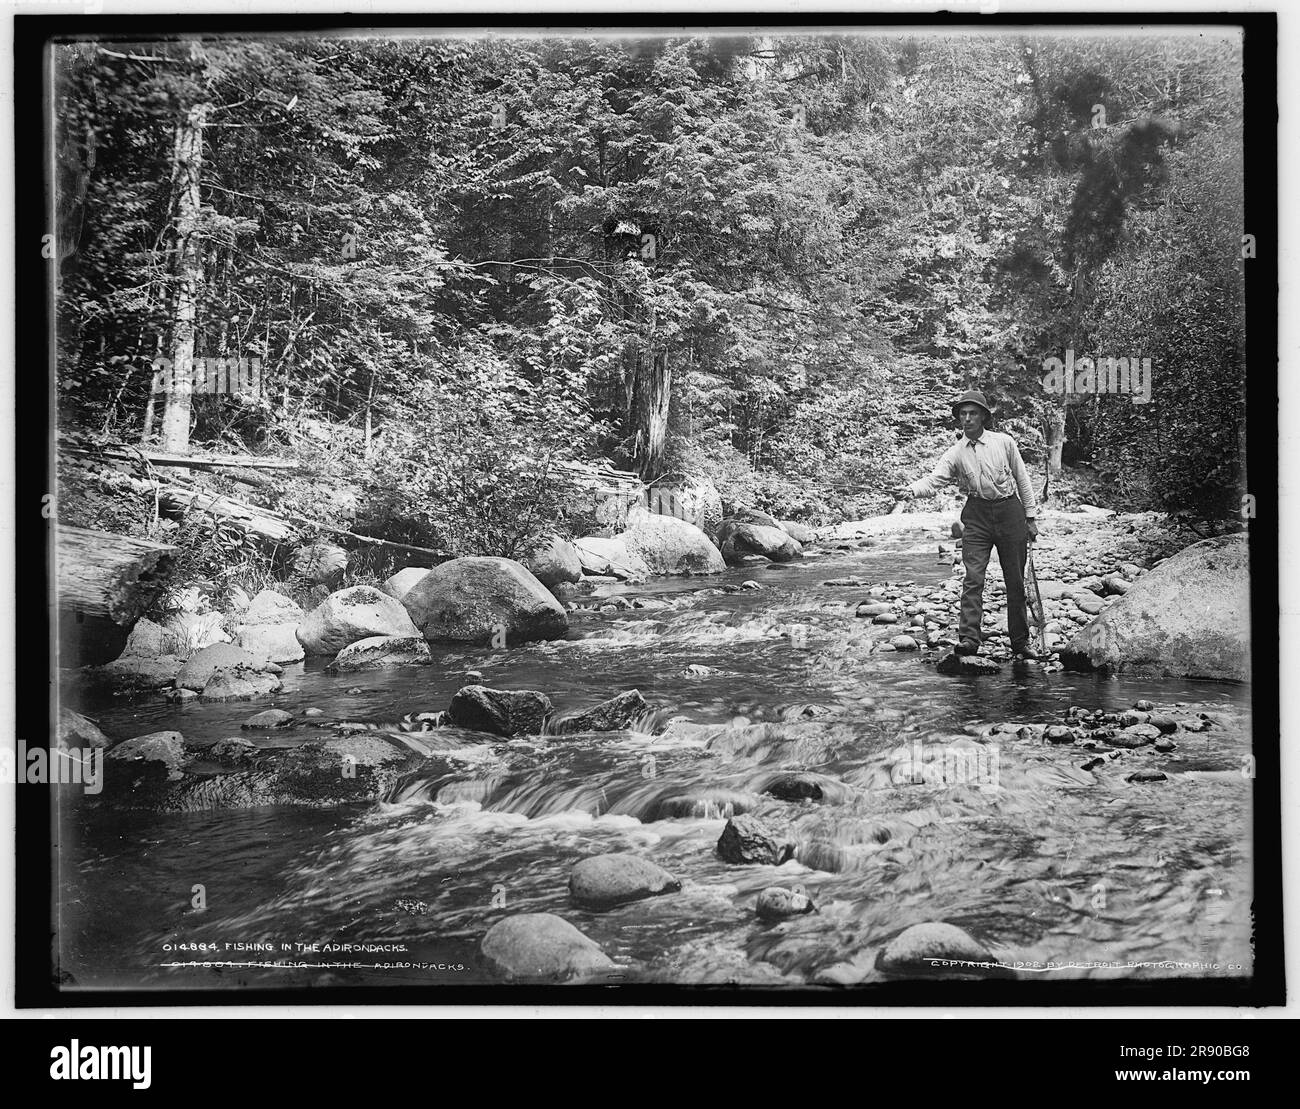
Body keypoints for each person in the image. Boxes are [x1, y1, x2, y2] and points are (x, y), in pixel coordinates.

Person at [892, 390, 1041, 659]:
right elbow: (934, 480)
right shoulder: (956, 452)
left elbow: (1023, 479)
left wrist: (1030, 518)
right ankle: (969, 639)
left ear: (984, 416)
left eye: (973, 413)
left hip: (1010, 512)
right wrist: (910, 490)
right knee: (973, 579)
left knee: (1016, 582)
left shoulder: (1004, 442)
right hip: (976, 515)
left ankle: (1020, 643)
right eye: (963, 414)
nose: (967, 418)